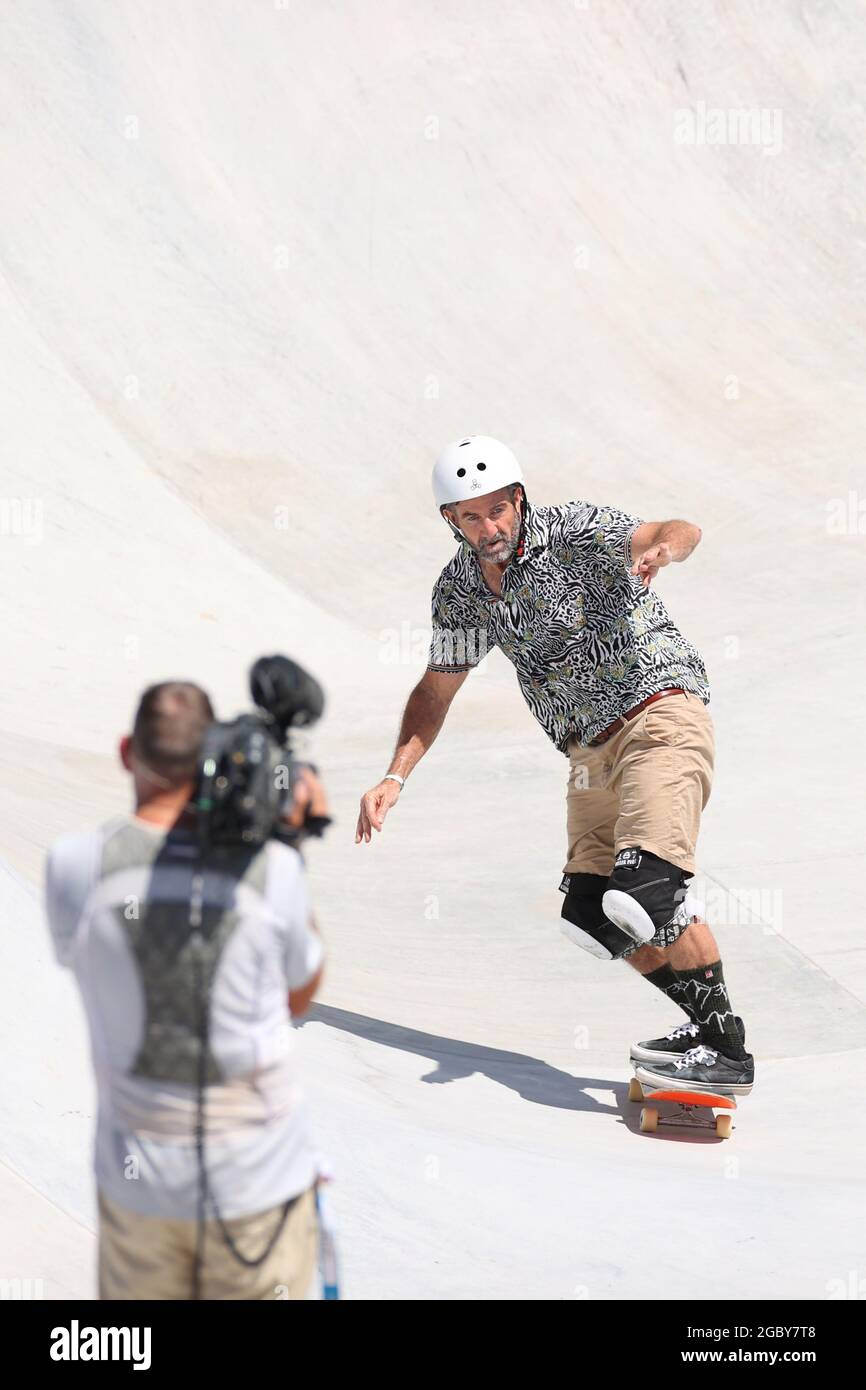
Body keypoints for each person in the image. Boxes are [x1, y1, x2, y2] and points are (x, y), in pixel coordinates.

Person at [355, 436, 753, 1096]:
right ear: (451, 521)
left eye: (497, 511)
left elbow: (678, 529)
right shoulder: (460, 592)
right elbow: (436, 688)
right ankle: (709, 1031)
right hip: (587, 753)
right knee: (592, 911)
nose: (490, 529)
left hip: (658, 712)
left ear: (518, 500)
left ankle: (724, 1048)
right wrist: (395, 775)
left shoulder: (575, 533)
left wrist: (664, 550)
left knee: (646, 889)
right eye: (471, 517)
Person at [45, 680, 326, 1299]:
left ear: (126, 752)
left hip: (137, 1185)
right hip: (254, 1183)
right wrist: (287, 843)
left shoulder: (73, 866)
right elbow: (299, 995)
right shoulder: (271, 870)